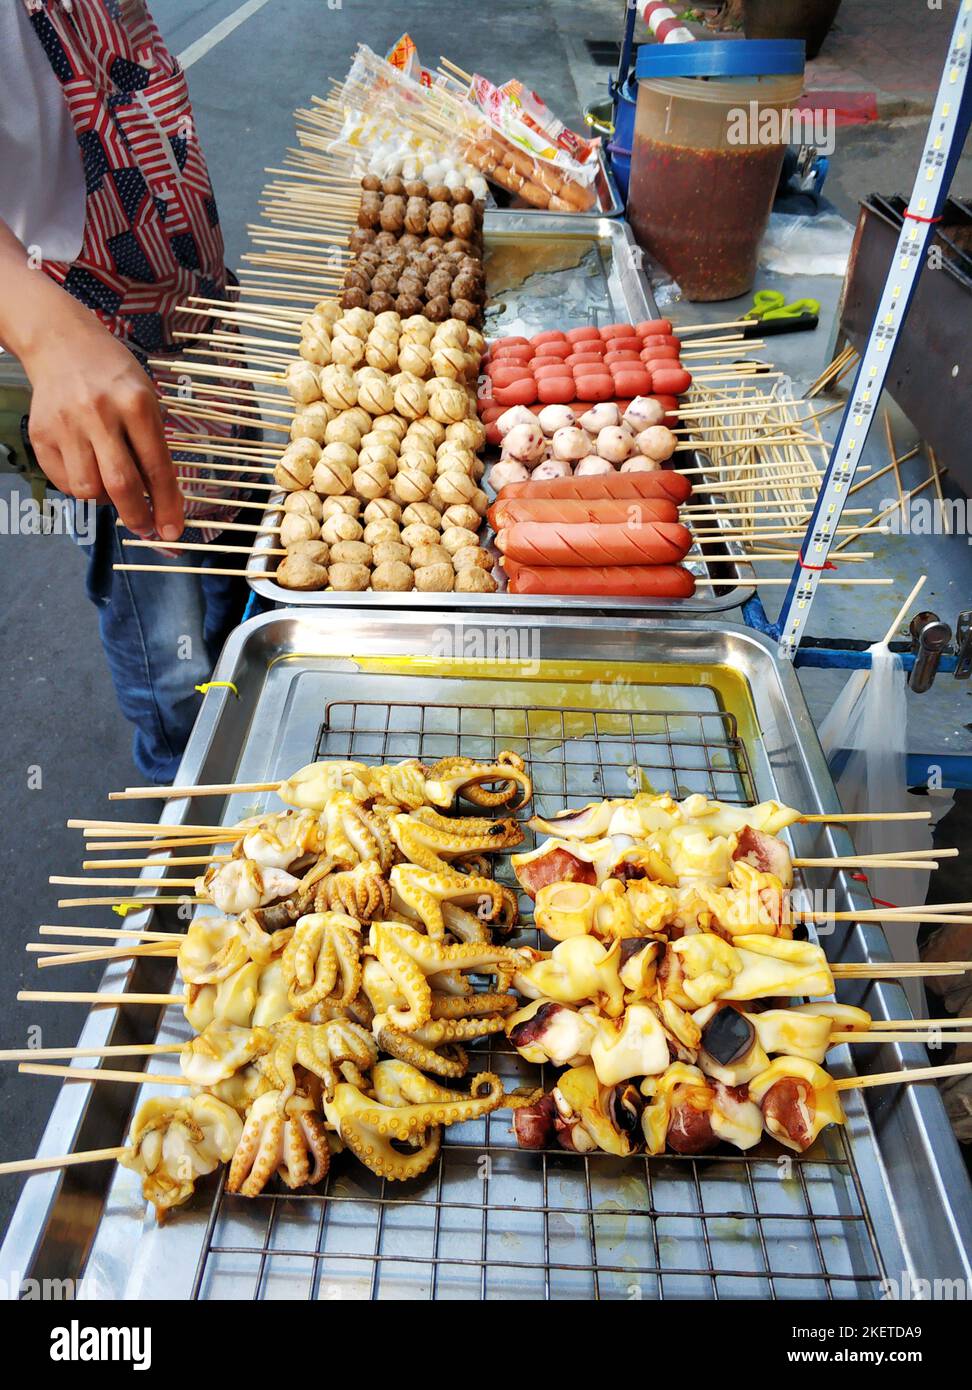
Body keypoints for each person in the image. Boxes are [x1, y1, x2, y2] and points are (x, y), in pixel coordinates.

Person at [0, 0, 254, 782]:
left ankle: (241, 702)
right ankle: (183, 784)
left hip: (191, 306)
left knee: (235, 549)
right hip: (78, 357)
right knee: (161, 613)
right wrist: (43, 331)